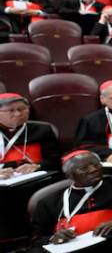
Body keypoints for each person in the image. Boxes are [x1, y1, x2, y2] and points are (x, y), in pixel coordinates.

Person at [0, 93, 61, 241]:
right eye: (11, 110)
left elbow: (55, 160)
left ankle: (40, 235)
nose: (18, 114)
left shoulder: (42, 130)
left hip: (36, 181)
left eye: (22, 109)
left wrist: (38, 166)